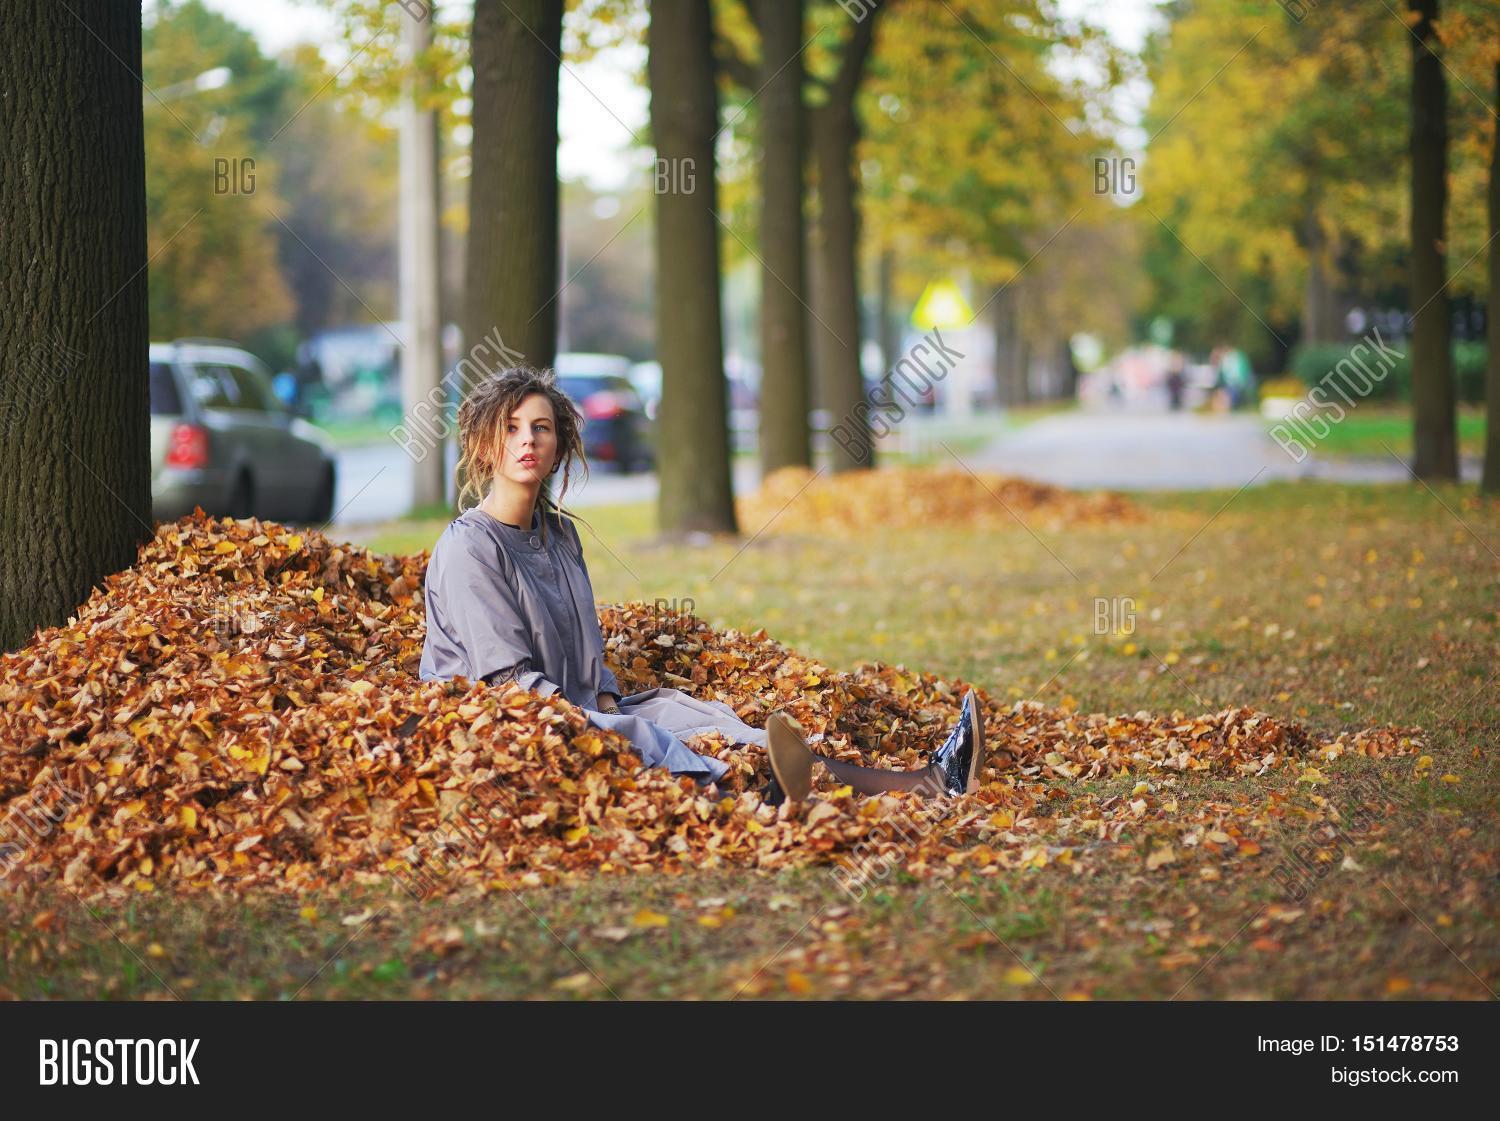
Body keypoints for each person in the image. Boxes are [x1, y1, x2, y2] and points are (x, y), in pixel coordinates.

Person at [418, 365, 987, 803]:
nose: (528, 441)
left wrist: (617, 704)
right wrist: (615, 724)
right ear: (483, 445)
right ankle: (771, 799)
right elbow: (508, 685)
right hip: (514, 727)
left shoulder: (560, 535)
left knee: (705, 720)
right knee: (664, 740)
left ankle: (924, 783)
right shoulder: (471, 548)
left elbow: (588, 653)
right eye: (511, 428)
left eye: (541, 428)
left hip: (581, 705)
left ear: (559, 443)